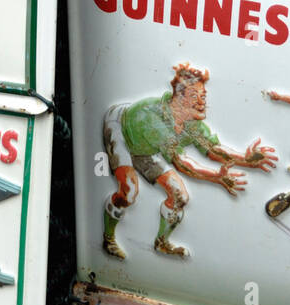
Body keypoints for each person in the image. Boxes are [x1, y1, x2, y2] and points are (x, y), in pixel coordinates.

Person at [101, 63, 278, 259]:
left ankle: (162, 242)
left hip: (146, 146)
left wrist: (247, 158)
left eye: (203, 96)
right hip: (122, 130)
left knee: (179, 196)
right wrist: (216, 177)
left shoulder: (192, 124)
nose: (201, 102)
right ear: (179, 97)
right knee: (129, 191)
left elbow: (213, 149)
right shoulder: (153, 118)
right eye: (194, 96)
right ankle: (108, 239)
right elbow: (182, 163)